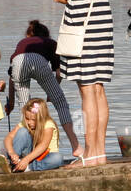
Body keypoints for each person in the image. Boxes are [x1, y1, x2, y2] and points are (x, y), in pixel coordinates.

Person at [53, 0, 113, 166]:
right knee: (99, 90)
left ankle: (89, 151)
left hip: (81, 28)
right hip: (103, 25)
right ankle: (100, 150)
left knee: (87, 91)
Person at [6, 20, 81, 157]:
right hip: (38, 61)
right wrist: (53, 92)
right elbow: (59, 72)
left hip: (18, 63)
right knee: (61, 103)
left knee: (25, 109)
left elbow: (12, 76)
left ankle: (25, 153)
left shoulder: (22, 43)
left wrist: (10, 102)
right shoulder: (49, 42)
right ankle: (75, 146)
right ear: (46, 34)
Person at [5, 98, 64, 172]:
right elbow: (9, 137)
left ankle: (26, 167)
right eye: (27, 118)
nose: (29, 122)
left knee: (57, 158)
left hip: (44, 156)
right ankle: (11, 162)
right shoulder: (25, 123)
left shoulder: (48, 124)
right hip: (28, 154)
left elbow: (43, 145)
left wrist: (26, 160)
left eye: (33, 120)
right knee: (22, 131)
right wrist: (11, 152)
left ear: (41, 118)